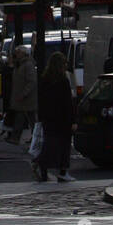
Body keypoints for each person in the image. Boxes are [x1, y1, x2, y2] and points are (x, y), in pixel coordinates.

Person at [36, 52, 77, 182]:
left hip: (49, 118)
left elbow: (41, 100)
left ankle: (43, 166)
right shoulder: (63, 81)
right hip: (62, 118)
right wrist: (73, 120)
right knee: (64, 145)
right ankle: (63, 171)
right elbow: (67, 103)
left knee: (49, 144)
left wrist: (41, 116)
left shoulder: (45, 80)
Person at [5, 46, 38, 145]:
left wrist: (24, 93)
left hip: (27, 99)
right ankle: (18, 137)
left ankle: (17, 138)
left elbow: (31, 82)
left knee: (28, 119)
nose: (16, 54)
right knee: (27, 119)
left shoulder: (28, 65)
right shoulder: (19, 64)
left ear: (24, 54)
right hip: (22, 98)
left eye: (18, 52)